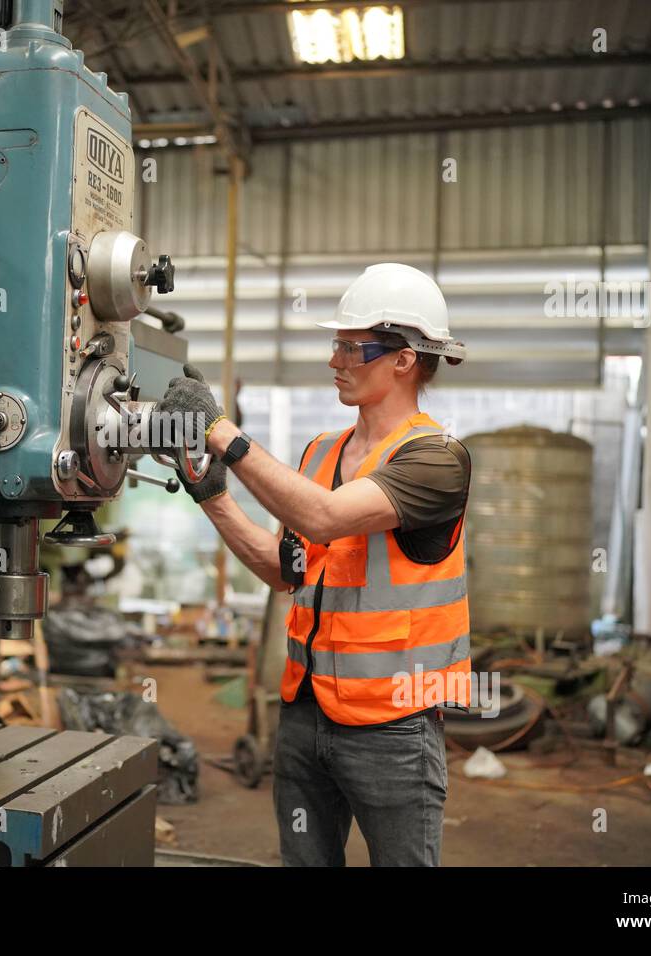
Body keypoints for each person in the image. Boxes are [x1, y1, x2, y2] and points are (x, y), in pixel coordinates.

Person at [157, 262, 473, 866]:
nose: (335, 361)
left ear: (404, 358)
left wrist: (220, 430)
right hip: (304, 713)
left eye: (352, 347)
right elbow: (284, 570)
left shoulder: (436, 459)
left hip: (394, 724)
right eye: (337, 345)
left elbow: (326, 517)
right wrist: (212, 494)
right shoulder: (320, 451)